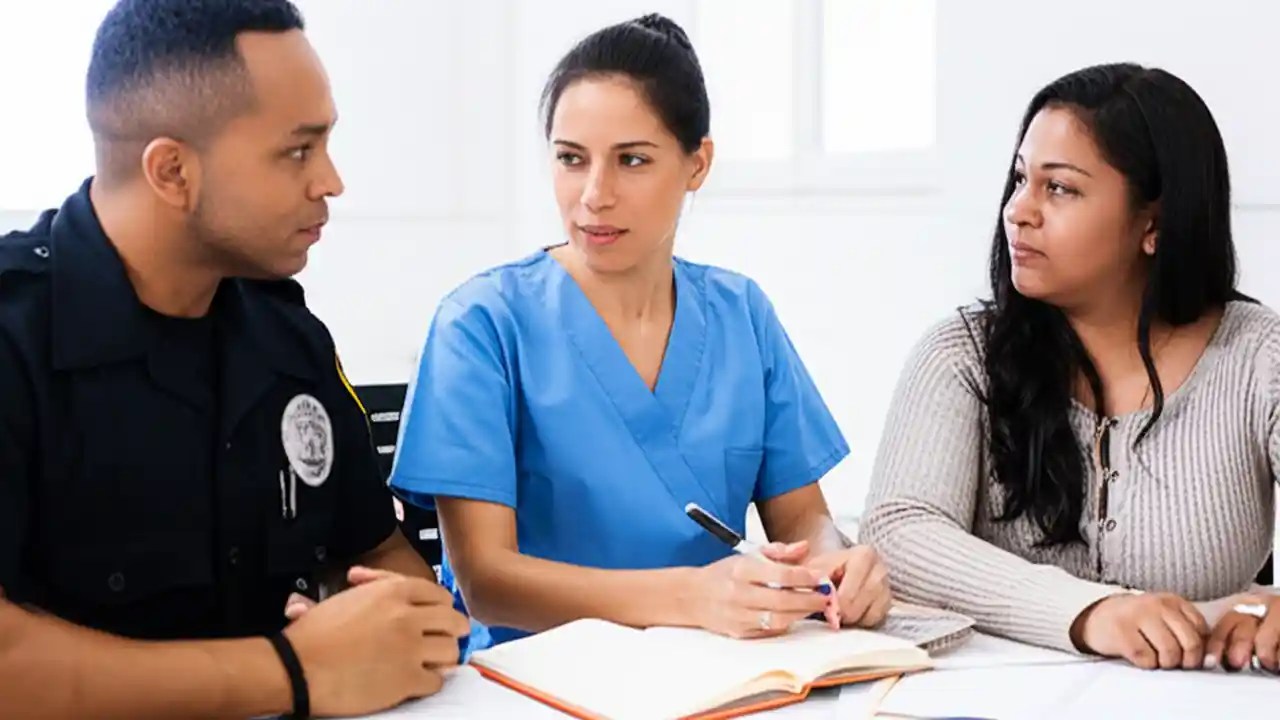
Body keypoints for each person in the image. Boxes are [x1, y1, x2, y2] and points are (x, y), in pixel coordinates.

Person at [0, 1, 467, 717]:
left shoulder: (284, 334)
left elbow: (378, 555)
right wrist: (292, 671)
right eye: (297, 151)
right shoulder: (16, 340)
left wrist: (402, 621)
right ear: (172, 171)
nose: (331, 182)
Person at [389, 14, 892, 655]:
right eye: (572, 159)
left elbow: (805, 520)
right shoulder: (482, 324)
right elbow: (487, 581)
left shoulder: (741, 314)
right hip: (530, 680)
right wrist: (691, 597)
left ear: (697, 164)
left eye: (631, 160)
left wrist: (835, 564)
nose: (594, 195)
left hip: (718, 670)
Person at [861, 63, 1280, 673]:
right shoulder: (960, 353)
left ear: (1154, 223)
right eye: (1020, 179)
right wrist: (1092, 612)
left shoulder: (1260, 358)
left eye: (1060, 188)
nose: (1018, 211)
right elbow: (900, 534)